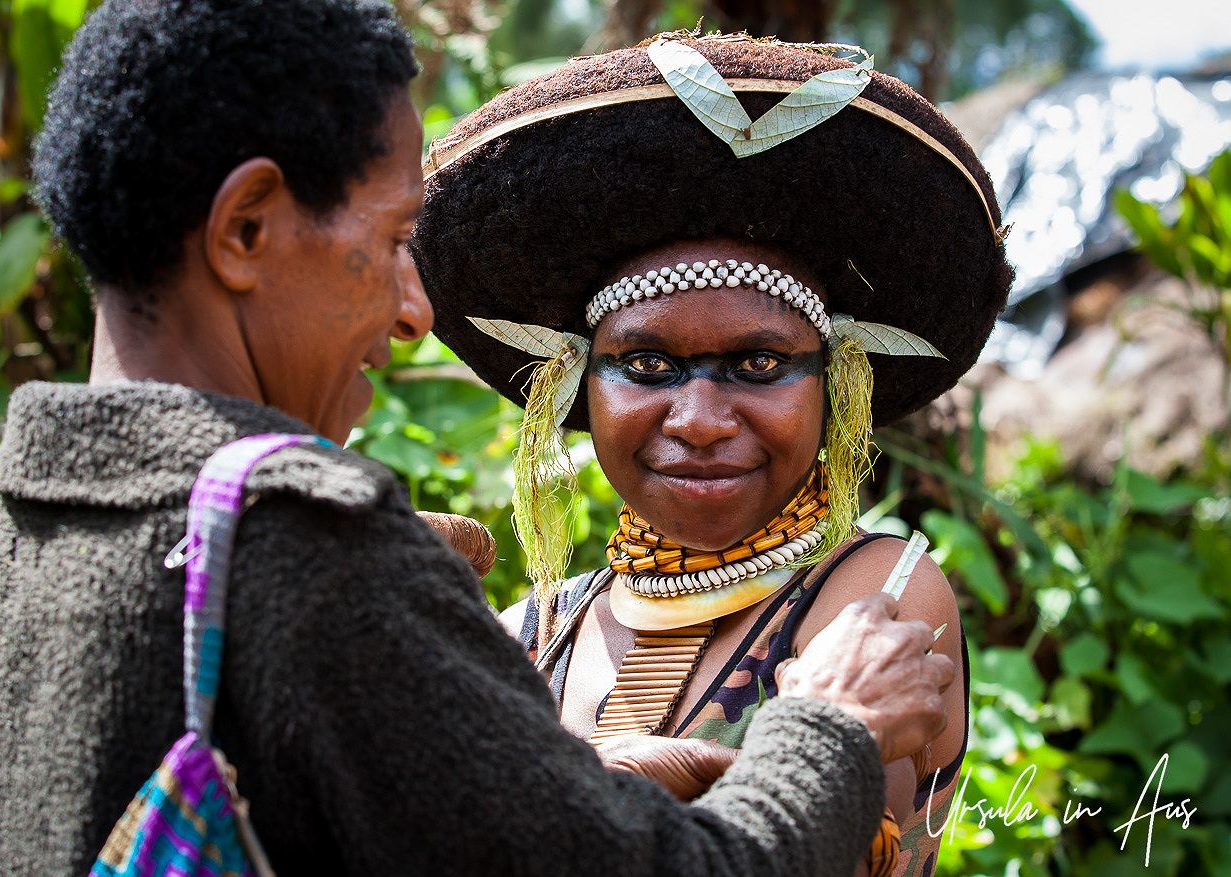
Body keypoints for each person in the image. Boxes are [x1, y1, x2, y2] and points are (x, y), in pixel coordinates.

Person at [0, 3, 956, 875]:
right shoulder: (301, 554)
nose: (415, 310)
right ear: (245, 231)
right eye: (389, 240)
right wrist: (834, 727)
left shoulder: (0, 545)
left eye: (758, 364)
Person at [413, 34, 1012, 877]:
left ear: (832, 388)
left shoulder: (873, 601)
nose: (697, 419)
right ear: (581, 385)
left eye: (759, 365)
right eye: (647, 366)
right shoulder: (538, 628)